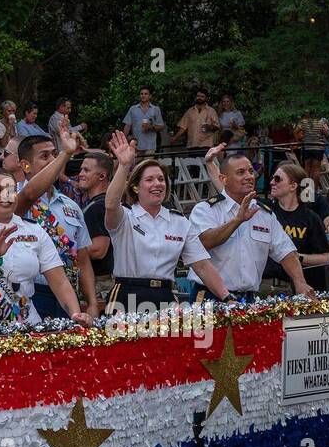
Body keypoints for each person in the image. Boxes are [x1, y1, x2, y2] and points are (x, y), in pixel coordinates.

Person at [0, 142, 92, 329]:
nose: (5, 196)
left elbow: (60, 281)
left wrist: (75, 313)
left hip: (24, 320)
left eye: (11, 191)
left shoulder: (34, 230)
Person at [102, 131, 233, 313]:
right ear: (135, 187)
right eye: (149, 180)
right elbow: (110, 204)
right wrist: (124, 166)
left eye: (161, 179)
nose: (157, 184)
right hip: (127, 294)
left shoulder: (180, 222)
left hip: (165, 295)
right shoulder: (125, 216)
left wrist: (227, 297)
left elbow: (202, 265)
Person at [189, 147, 316, 301]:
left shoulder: (263, 213)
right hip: (209, 297)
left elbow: (286, 251)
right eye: (240, 172)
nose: (249, 176)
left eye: (250, 171)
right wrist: (237, 220)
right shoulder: (206, 210)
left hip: (248, 299)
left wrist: (300, 282)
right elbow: (204, 242)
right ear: (223, 179)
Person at [15, 133, 98, 319]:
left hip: (67, 293)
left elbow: (83, 259)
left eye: (54, 154)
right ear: (25, 165)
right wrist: (65, 154)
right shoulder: (11, 200)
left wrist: (91, 303)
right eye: (45, 156)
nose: (53, 160)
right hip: (31, 292)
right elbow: (29, 194)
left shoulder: (71, 206)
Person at [261, 162, 329, 284]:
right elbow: (231, 197)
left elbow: (325, 258)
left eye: (277, 179)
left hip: (293, 285)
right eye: (272, 178)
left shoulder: (310, 218)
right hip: (263, 284)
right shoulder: (264, 210)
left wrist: (296, 257)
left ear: (293, 186)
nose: (272, 182)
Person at [77, 150, 114, 300]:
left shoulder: (99, 206)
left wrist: (65, 251)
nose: (80, 174)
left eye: (86, 170)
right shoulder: (97, 204)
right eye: (81, 169)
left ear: (102, 176)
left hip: (100, 283)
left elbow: (98, 250)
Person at [122, 87, 165, 154]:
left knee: (148, 164)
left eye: (146, 94)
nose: (143, 95)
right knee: (136, 164)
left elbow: (161, 126)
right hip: (136, 145)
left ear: (150, 96)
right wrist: (123, 141)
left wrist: (151, 127)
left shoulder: (155, 109)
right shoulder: (133, 109)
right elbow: (127, 126)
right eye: (141, 94)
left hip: (150, 145)